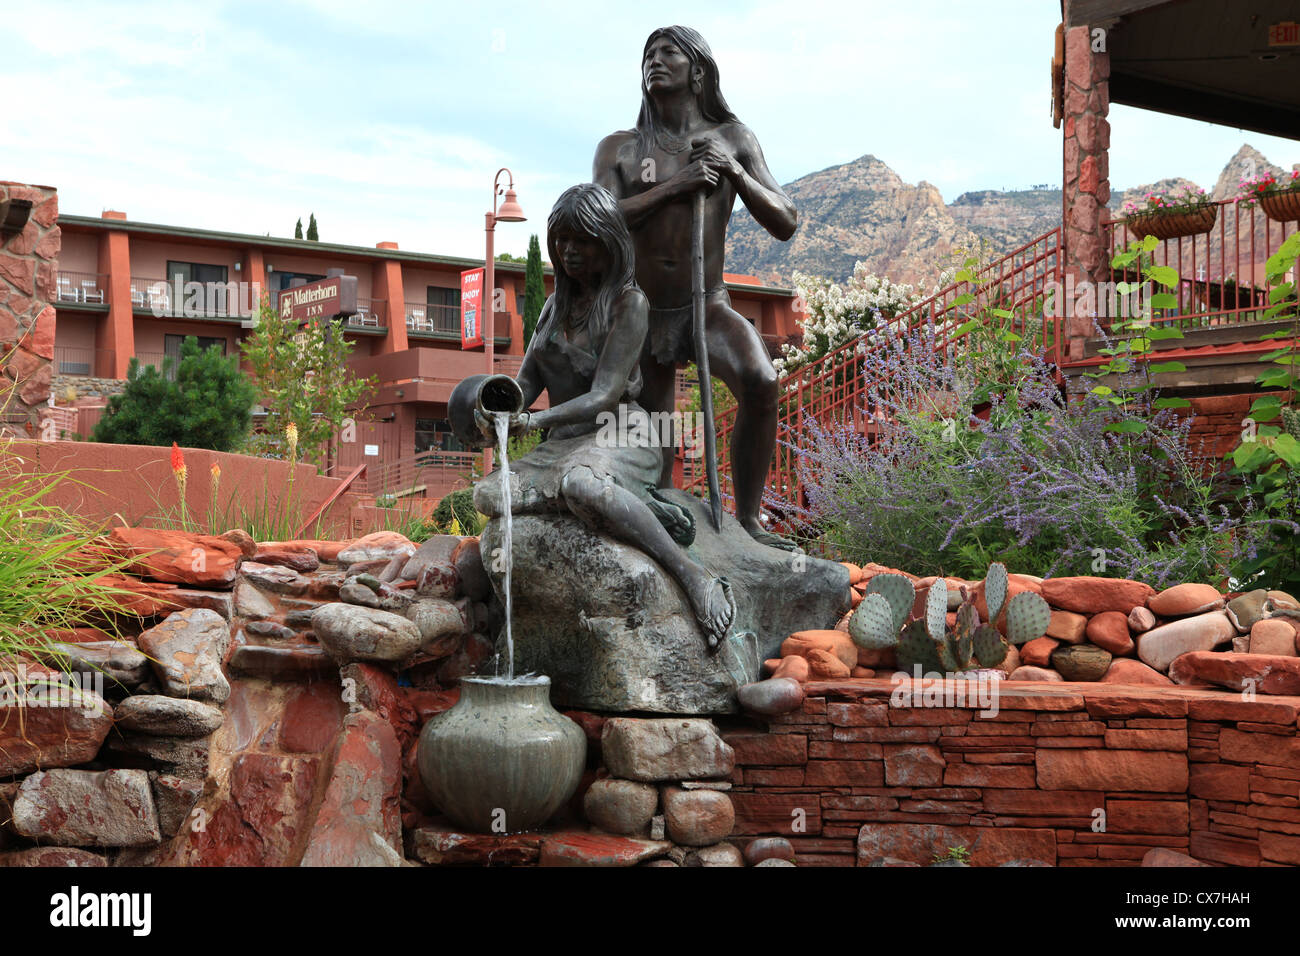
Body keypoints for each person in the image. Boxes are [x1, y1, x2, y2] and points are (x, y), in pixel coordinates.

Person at [471, 183, 736, 650]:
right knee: (490, 494)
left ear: (609, 242)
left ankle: (691, 574)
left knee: (580, 484)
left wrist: (532, 423)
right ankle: (631, 505)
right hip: (565, 443)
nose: (570, 251)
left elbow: (603, 394)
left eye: (584, 240)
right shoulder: (555, 305)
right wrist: (496, 406)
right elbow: (528, 381)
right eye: (563, 240)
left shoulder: (629, 304)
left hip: (623, 432)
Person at [593, 24, 799, 551]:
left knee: (761, 381)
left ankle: (749, 520)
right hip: (639, 307)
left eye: (669, 53)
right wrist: (677, 185)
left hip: (705, 304)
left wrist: (733, 169)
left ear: (698, 70)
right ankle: (660, 533)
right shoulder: (620, 147)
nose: (654, 61)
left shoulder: (733, 139)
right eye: (649, 54)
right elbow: (598, 217)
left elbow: (786, 219)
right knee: (657, 437)